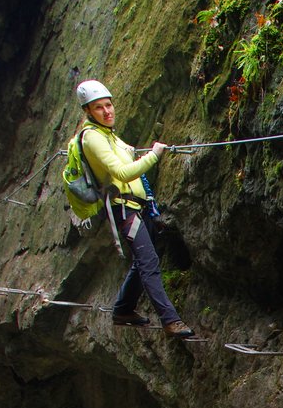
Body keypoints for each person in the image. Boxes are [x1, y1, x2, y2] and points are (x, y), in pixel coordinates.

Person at [74, 79, 194, 338]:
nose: (107, 111)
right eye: (98, 108)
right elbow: (121, 172)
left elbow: (123, 158)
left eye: (109, 105)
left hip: (137, 207)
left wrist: (131, 152)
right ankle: (171, 321)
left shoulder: (109, 135)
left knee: (143, 263)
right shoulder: (93, 137)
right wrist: (153, 155)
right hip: (123, 210)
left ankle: (123, 309)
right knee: (148, 262)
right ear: (87, 112)